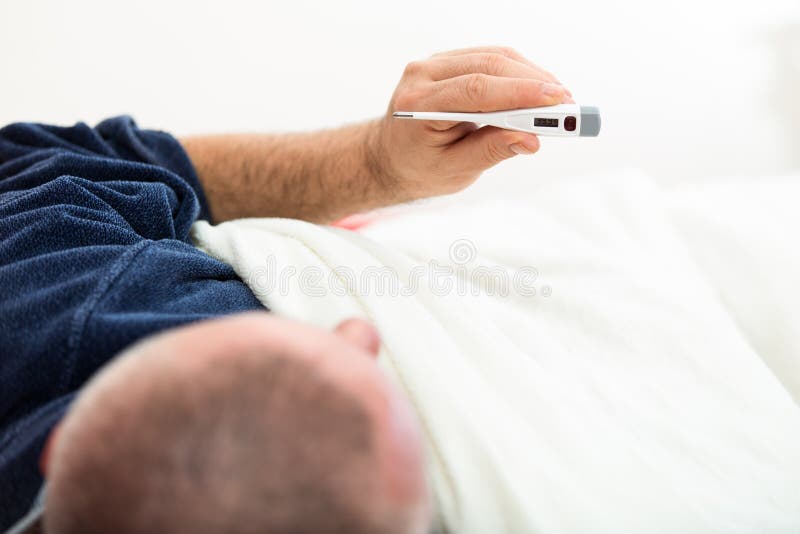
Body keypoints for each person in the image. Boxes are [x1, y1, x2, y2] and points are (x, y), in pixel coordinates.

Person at [0, 47, 573, 532]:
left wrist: (376, 163)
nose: (358, 334)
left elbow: (120, 163)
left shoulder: (44, 265)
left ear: (57, 452)